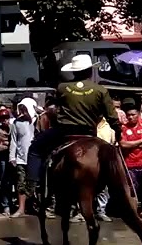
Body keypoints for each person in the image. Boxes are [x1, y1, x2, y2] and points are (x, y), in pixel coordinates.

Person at [25, 53, 120, 201]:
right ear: (90, 71)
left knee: (35, 148)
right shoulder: (101, 90)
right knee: (114, 156)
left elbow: (55, 108)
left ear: (74, 71)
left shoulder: (62, 88)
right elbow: (112, 117)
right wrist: (118, 133)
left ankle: (31, 184)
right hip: (89, 132)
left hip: (65, 132)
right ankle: (122, 188)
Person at [9, 98, 38, 218]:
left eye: (25, 109)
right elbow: (14, 141)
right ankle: (21, 209)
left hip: (36, 158)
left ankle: (35, 207)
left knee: (35, 185)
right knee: (21, 184)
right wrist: (12, 156)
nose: (23, 112)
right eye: (21, 109)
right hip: (21, 158)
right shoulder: (17, 122)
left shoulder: (38, 120)